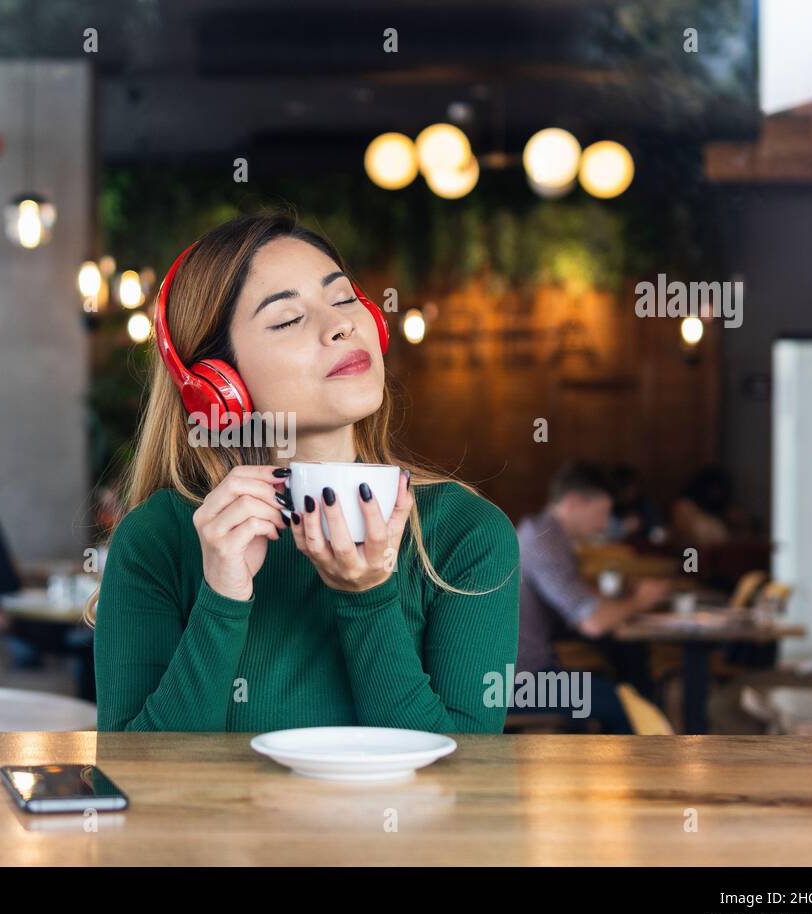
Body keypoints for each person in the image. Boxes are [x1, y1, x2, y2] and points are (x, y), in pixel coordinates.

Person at [89, 211, 520, 733]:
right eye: (288, 318)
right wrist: (221, 600)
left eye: (343, 299)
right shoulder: (157, 538)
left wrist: (366, 599)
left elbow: (460, 783)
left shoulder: (467, 533)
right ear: (219, 386)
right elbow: (137, 778)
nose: (342, 323)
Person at [511, 462, 673, 732]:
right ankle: (641, 771)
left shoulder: (543, 534)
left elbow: (584, 600)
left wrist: (624, 597)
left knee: (620, 680)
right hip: (516, 684)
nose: (604, 524)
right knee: (625, 704)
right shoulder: (543, 543)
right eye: (602, 512)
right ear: (574, 503)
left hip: (521, 676)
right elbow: (593, 622)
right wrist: (640, 600)